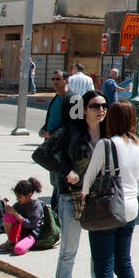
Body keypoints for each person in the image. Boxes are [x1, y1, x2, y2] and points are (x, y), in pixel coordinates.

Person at [70, 100, 139, 278]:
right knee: (123, 264)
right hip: (131, 209)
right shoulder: (138, 144)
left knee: (103, 268)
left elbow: (88, 179)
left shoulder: (106, 144)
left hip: (109, 209)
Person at [47, 89, 106, 278]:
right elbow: (42, 154)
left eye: (103, 106)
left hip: (98, 198)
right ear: (83, 110)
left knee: (98, 252)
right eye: (94, 106)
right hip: (71, 197)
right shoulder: (70, 131)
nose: (100, 110)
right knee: (68, 252)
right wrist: (66, 172)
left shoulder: (108, 134)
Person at [41, 71, 76, 207]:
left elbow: (73, 124)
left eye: (58, 79)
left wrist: (52, 133)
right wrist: (44, 128)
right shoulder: (57, 97)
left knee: (59, 182)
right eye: (53, 78)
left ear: (66, 80)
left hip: (62, 147)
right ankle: (55, 212)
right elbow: (51, 117)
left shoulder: (73, 99)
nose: (55, 81)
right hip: (51, 145)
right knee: (54, 182)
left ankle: (56, 213)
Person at [0, 178, 44, 256]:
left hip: (31, 235)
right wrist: (8, 210)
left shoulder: (36, 205)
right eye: (16, 196)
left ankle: (24, 244)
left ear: (29, 195)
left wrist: (16, 214)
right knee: (7, 216)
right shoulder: (19, 204)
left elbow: (31, 225)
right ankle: (11, 241)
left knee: (18, 250)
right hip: (20, 232)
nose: (17, 199)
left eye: (19, 197)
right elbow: (10, 217)